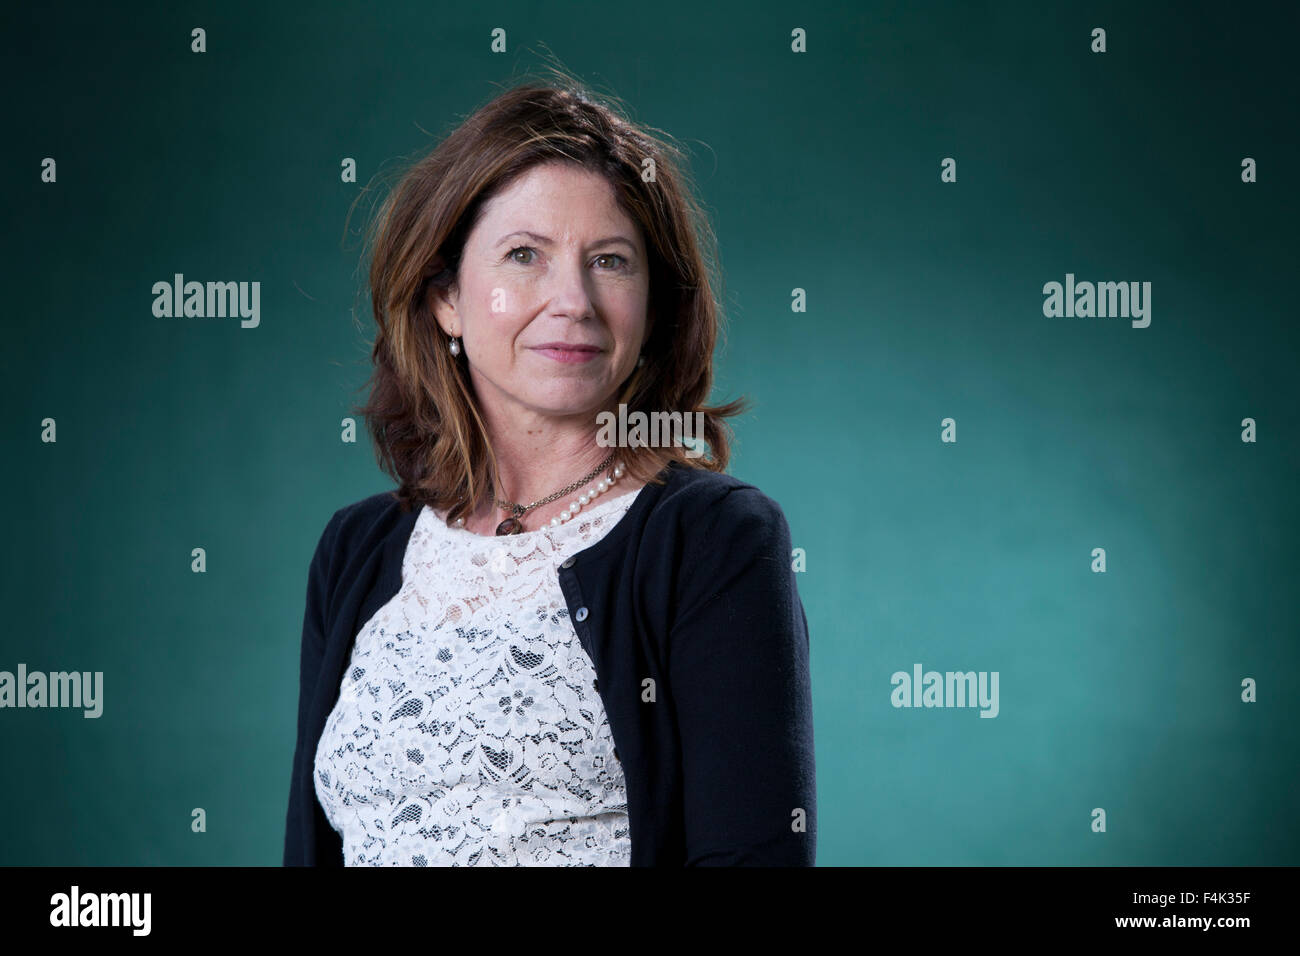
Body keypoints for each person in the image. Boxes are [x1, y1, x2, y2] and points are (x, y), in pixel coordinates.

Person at [283, 72, 816, 866]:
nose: (572, 299)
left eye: (610, 261)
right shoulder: (356, 551)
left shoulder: (714, 540)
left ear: (655, 305)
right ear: (446, 300)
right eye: (524, 255)